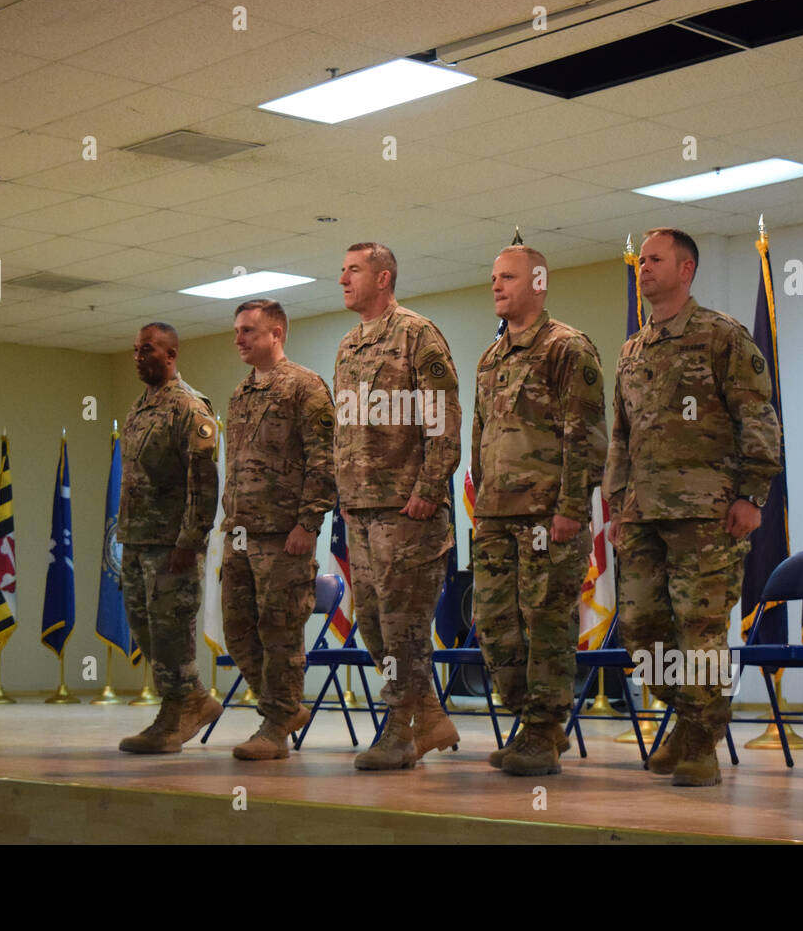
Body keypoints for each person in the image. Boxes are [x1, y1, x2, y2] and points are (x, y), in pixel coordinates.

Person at [605, 228, 781, 787]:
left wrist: (753, 495)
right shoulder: (633, 349)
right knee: (640, 627)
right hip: (641, 515)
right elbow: (620, 435)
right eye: (643, 261)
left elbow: (758, 417)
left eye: (656, 260)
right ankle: (686, 715)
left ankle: (702, 739)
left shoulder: (721, 337)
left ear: (686, 270)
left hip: (708, 516)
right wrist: (615, 505)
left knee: (700, 630)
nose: (644, 268)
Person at [471, 246, 608, 776]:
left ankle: (546, 729)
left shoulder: (567, 348)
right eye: (493, 277)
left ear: (539, 282)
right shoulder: (491, 357)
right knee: (495, 626)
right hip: (496, 516)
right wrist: (481, 505)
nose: (497, 286)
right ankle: (531, 721)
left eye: (507, 277)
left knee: (546, 622)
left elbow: (586, 435)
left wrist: (572, 507)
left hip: (548, 516)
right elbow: (480, 436)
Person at [334, 242, 462, 770]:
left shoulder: (417, 334)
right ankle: (430, 716)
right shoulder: (347, 346)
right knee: (373, 627)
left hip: (408, 512)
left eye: (354, 270)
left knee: (404, 628)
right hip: (361, 512)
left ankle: (401, 732)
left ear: (383, 278)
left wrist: (429, 491)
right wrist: (343, 497)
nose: (342, 278)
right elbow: (346, 428)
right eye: (341, 270)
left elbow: (443, 418)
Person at [221, 299, 337, 760]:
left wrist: (309, 522)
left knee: (281, 632)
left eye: (249, 330)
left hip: (284, 534)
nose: (239, 338)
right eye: (237, 331)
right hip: (240, 533)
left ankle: (276, 726)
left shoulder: (305, 388)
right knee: (236, 631)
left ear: (277, 333)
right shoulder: (239, 394)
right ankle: (282, 708)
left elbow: (324, 460)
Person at [117, 322, 221, 754]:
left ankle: (175, 712)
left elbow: (203, 482)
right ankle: (192, 697)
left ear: (171, 353)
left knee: (171, 632)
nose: (140, 357)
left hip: (172, 545)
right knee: (146, 629)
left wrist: (190, 540)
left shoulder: (189, 408)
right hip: (137, 539)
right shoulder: (139, 409)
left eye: (149, 350)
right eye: (137, 350)